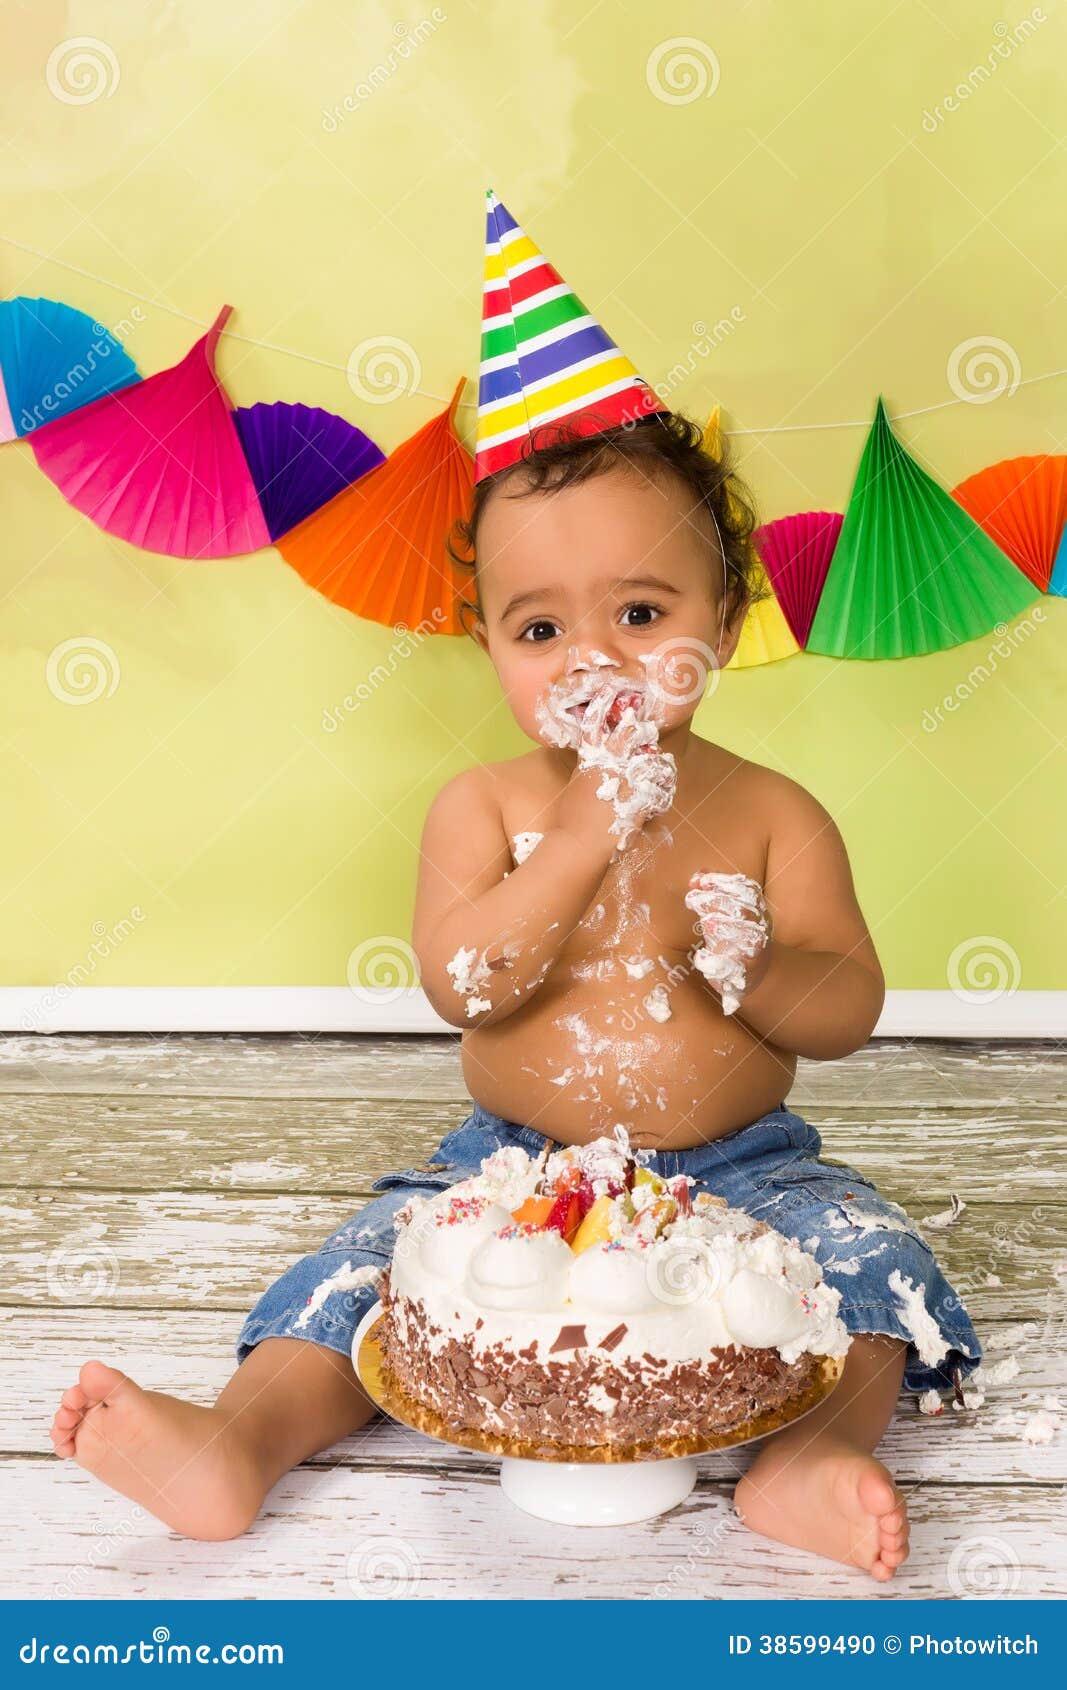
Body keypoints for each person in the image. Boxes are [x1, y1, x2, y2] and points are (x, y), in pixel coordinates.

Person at [50, 411, 981, 1575]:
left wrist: (753, 971)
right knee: (359, 1272)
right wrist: (580, 834)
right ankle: (241, 1438)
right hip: (512, 1161)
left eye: (640, 614)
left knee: (869, 1265)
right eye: (539, 626)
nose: (592, 658)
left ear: (725, 624)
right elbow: (466, 985)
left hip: (741, 1160)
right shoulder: (484, 807)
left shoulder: (770, 812)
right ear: (488, 642)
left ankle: (808, 1458)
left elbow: (846, 1010)